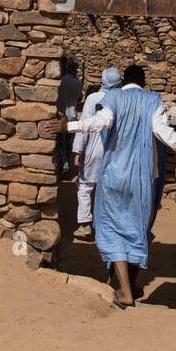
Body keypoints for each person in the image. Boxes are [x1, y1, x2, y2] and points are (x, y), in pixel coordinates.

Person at [41, 65, 176, 309]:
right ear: (143, 82)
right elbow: (162, 132)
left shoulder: (113, 97)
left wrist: (67, 127)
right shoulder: (153, 99)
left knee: (111, 229)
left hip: (113, 176)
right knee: (136, 230)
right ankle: (131, 284)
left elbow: (99, 123)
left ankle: (124, 289)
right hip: (142, 180)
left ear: (124, 82)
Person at [70, 67, 123, 241]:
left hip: (94, 147)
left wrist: (78, 149)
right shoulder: (122, 98)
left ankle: (84, 224)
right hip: (115, 149)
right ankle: (106, 226)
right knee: (107, 188)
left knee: (85, 186)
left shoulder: (93, 98)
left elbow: (84, 125)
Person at [54, 58, 82, 177]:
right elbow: (79, 98)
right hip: (72, 117)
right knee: (69, 142)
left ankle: (62, 164)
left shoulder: (61, 81)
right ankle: (66, 164)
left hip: (61, 115)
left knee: (60, 141)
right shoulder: (78, 83)